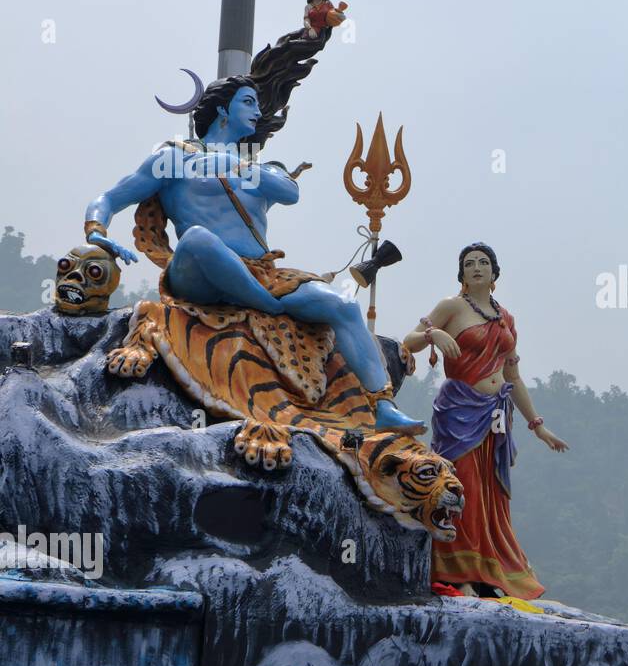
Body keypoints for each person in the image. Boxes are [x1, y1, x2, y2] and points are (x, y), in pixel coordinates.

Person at [84, 47, 425, 434]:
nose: (257, 111)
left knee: (343, 305)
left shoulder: (258, 167)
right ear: (223, 110)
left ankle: (381, 404)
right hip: (199, 276)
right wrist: (97, 232)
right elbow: (109, 199)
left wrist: (232, 163)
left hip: (261, 272)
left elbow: (289, 192)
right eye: (248, 102)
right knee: (198, 239)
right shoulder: (175, 156)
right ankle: (269, 307)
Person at [403, 242, 568, 598]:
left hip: (496, 413)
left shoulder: (505, 318)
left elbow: (513, 376)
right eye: (468, 264)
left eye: (483, 263)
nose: (476, 268)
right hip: (459, 411)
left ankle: (488, 576)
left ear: (495, 274)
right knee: (464, 490)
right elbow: (409, 340)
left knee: (493, 496)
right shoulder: (451, 307)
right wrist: (434, 333)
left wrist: (538, 426)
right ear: (461, 274)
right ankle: (458, 575)